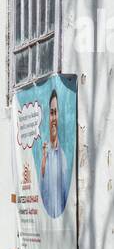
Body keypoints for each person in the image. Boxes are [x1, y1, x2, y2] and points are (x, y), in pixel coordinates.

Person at [39, 89, 71, 219]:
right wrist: (44, 159)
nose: (53, 118)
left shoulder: (63, 157)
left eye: (55, 113)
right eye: (51, 113)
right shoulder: (45, 155)